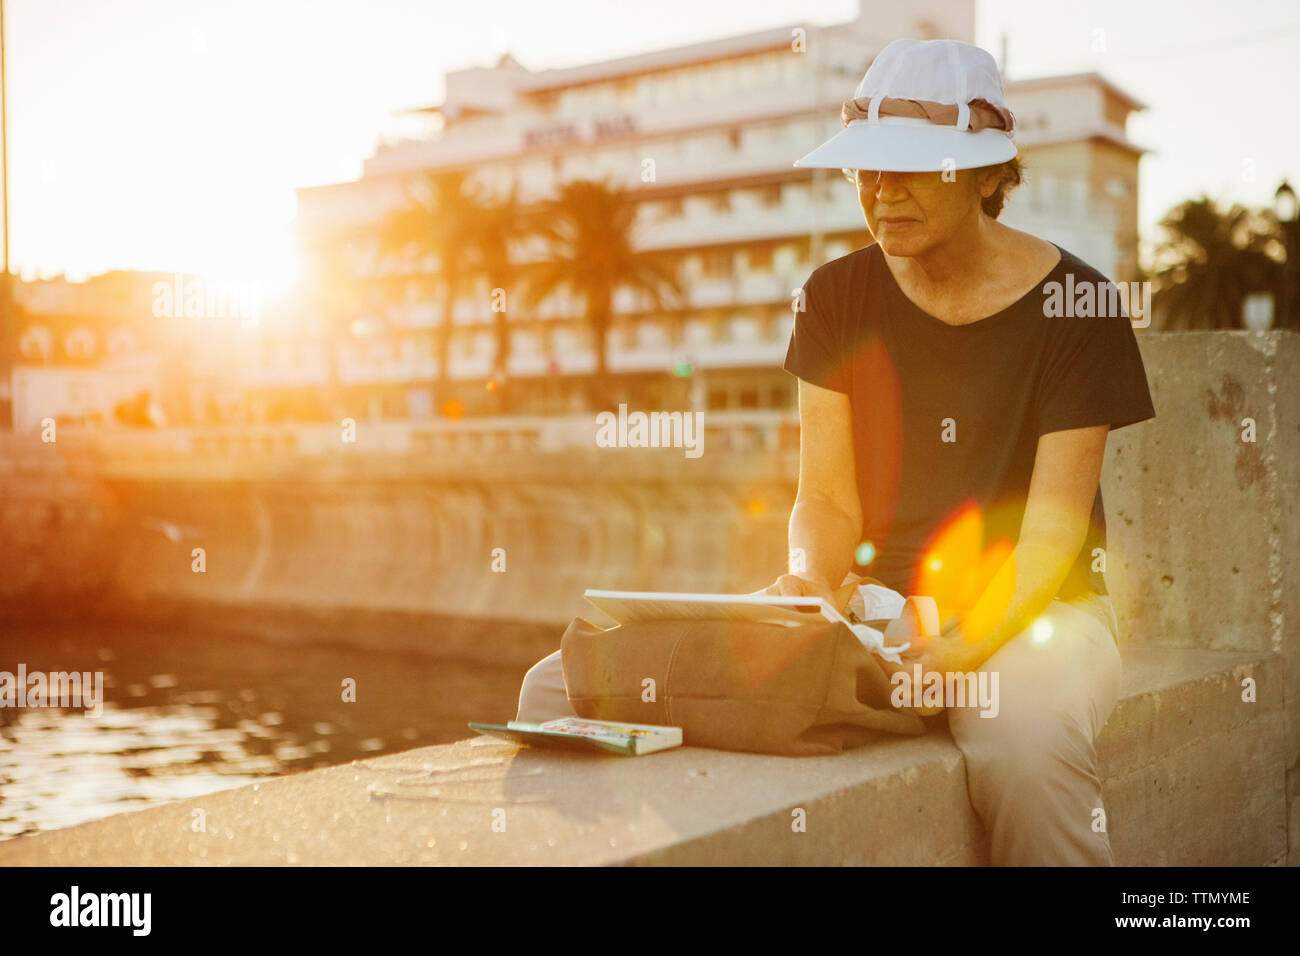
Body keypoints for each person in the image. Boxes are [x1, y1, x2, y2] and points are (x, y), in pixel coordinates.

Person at [516, 37, 1155, 866]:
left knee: (1023, 739)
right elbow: (822, 500)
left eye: (913, 167)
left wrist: (967, 642)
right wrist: (811, 586)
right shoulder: (834, 296)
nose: (882, 191)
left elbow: (1051, 531)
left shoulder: (1079, 304)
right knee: (556, 683)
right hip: (865, 603)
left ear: (988, 177)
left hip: (1040, 609)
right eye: (865, 169)